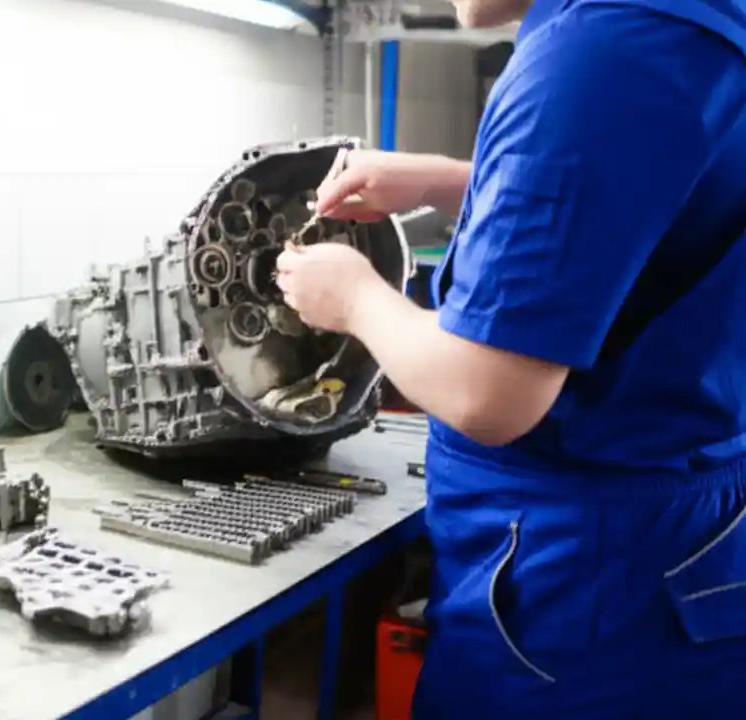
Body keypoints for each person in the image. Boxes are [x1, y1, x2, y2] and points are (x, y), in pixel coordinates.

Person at [276, 0, 746, 717]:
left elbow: (488, 393)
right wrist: (440, 178)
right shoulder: (684, 23)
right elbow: (638, 196)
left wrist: (352, 298)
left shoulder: (599, 52)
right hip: (678, 537)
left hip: (581, 588)